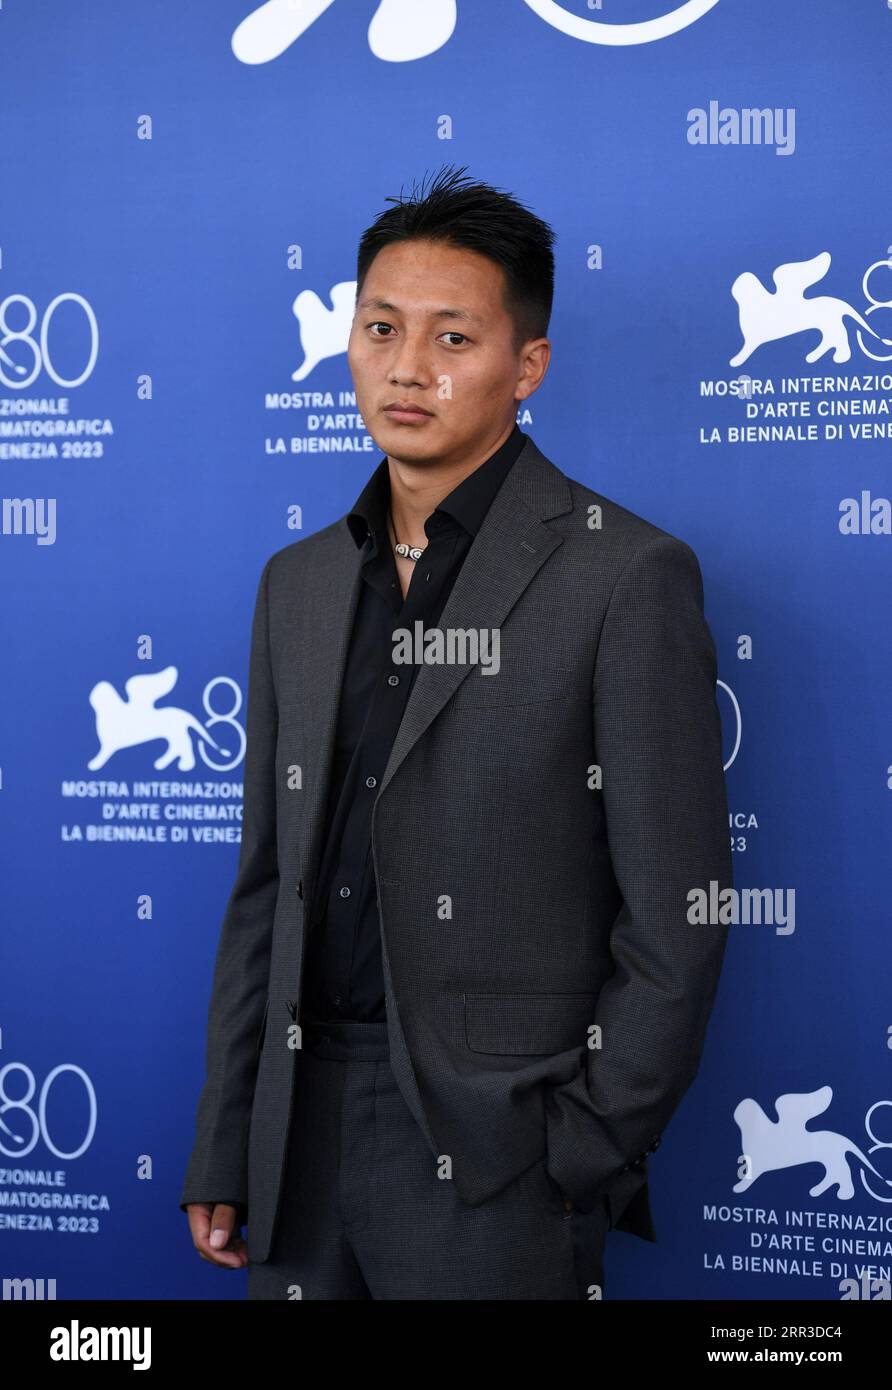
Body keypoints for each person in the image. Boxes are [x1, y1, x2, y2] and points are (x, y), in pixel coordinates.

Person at [181, 165, 732, 1299]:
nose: (406, 367)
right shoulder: (296, 582)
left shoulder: (624, 574)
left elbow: (678, 914)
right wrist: (228, 1134)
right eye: (380, 327)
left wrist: (577, 1145)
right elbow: (265, 886)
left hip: (493, 1145)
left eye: (451, 337)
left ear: (526, 365)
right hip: (294, 1132)